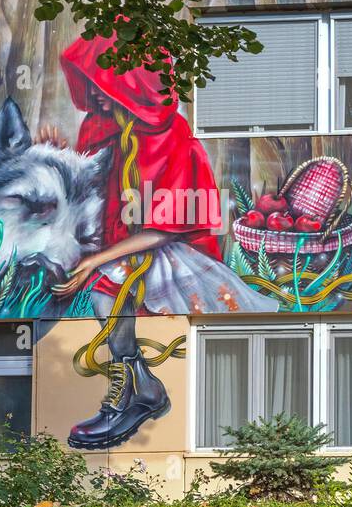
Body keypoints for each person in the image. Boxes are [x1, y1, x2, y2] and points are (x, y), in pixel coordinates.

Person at [46, 30, 275, 449]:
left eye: (105, 85)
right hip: (115, 245)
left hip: (168, 250)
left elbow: (165, 227)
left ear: (133, 84)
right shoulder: (100, 128)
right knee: (93, 287)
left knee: (106, 288)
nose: (95, 96)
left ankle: (135, 389)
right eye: (92, 84)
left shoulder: (172, 138)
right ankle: (139, 385)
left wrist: (96, 261)